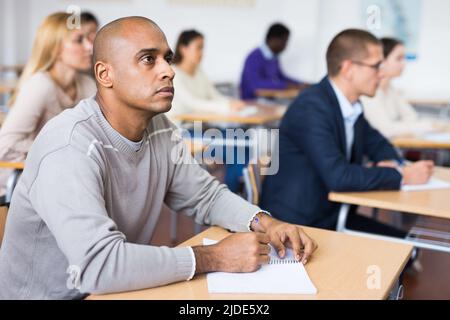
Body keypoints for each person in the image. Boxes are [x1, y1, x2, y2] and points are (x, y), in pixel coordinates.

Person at [0, 16, 317, 300]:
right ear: (105, 74)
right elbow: (99, 266)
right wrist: (213, 258)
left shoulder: (159, 128)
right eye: (148, 59)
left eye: (167, 58)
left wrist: (263, 222)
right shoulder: (69, 146)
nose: (168, 70)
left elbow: (205, 195)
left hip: (115, 290)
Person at [261, 29, 434, 234]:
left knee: (408, 243)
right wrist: (401, 175)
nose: (383, 73)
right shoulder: (311, 107)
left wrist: (392, 162)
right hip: (297, 225)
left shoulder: (351, 105)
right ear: (349, 69)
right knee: (405, 249)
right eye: (376, 65)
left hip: (333, 214)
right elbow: (339, 176)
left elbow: (379, 145)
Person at [0, 12, 96, 195]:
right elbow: (5, 144)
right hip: (21, 182)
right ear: (55, 48)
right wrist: (64, 146)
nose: (90, 47)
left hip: (61, 175)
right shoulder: (41, 85)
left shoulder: (87, 84)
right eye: (79, 40)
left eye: (89, 39)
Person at [361, 38, 444, 138]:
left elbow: (412, 117)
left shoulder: (391, 89)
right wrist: (430, 126)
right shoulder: (369, 92)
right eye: (399, 58)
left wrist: (433, 125)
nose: (404, 63)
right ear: (381, 61)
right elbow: (386, 129)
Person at [166, 29, 245, 123]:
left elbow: (214, 95)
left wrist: (231, 103)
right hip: (179, 127)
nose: (202, 53)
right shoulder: (173, 73)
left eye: (202, 48)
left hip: (198, 125)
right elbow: (193, 103)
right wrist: (226, 106)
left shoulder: (199, 72)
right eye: (198, 48)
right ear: (183, 49)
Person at [240, 23, 307, 100]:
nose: (285, 45)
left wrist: (300, 84)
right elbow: (256, 84)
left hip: (268, 100)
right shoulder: (254, 57)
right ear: (274, 39)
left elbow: (281, 77)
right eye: (284, 41)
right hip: (252, 102)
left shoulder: (273, 57)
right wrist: (286, 86)